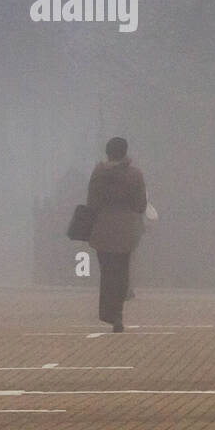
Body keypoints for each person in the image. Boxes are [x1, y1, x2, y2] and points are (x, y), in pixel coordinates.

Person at [86, 137, 146, 332]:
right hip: (126, 230)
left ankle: (106, 312)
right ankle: (118, 314)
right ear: (125, 152)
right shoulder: (135, 175)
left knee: (107, 272)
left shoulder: (98, 174)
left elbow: (92, 203)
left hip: (102, 228)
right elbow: (140, 204)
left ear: (107, 152)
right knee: (121, 272)